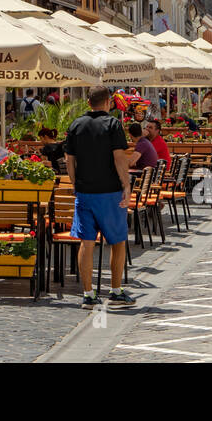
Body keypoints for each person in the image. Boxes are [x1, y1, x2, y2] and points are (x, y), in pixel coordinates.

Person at [65, 87, 134, 310]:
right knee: (117, 241)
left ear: (88, 102)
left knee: (86, 242)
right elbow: (119, 158)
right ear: (108, 102)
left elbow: (69, 158)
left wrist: (75, 183)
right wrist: (126, 185)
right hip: (110, 192)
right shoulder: (113, 124)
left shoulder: (76, 124)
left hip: (85, 192)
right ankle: (115, 293)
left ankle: (88, 295)